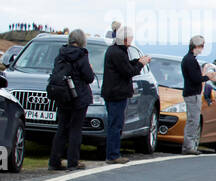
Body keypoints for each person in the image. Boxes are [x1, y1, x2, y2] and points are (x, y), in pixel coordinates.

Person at [102, 26, 152, 163]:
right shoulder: (118, 52)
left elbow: (126, 66)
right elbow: (128, 72)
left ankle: (113, 153)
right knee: (116, 124)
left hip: (113, 92)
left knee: (116, 123)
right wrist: (141, 64)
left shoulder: (115, 50)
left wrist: (137, 61)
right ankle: (113, 155)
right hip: (117, 93)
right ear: (125, 39)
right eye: (130, 38)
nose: (132, 40)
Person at [48, 29, 96, 171]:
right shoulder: (81, 56)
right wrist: (91, 69)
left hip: (63, 95)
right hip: (79, 96)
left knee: (62, 128)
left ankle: (54, 161)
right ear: (82, 41)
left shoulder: (60, 55)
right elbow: (89, 78)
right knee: (75, 130)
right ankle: (72, 162)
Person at [181, 35, 205, 154]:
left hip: (192, 92)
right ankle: (188, 146)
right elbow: (195, 78)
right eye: (202, 46)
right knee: (193, 120)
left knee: (193, 120)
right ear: (197, 46)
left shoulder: (189, 59)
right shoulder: (190, 60)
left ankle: (190, 145)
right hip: (192, 93)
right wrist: (206, 77)